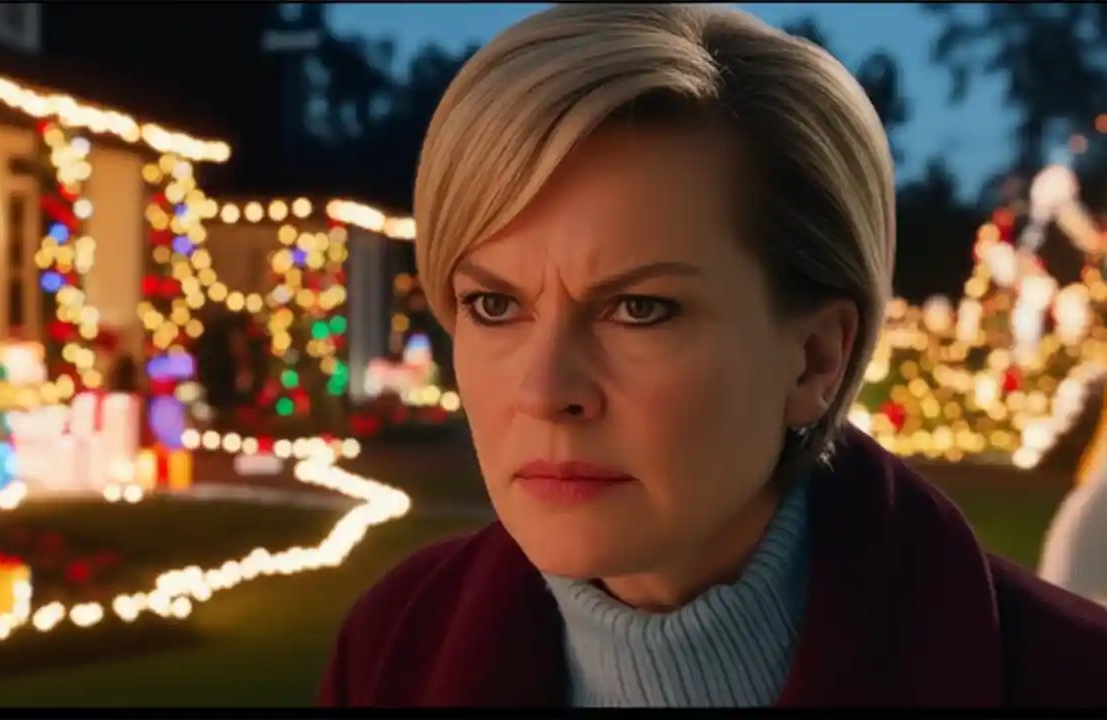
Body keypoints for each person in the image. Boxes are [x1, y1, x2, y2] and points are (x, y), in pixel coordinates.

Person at [318, 3, 1107, 708]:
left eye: (640, 309)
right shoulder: (391, 648)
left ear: (816, 359)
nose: (546, 389)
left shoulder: (1070, 675)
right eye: (494, 305)